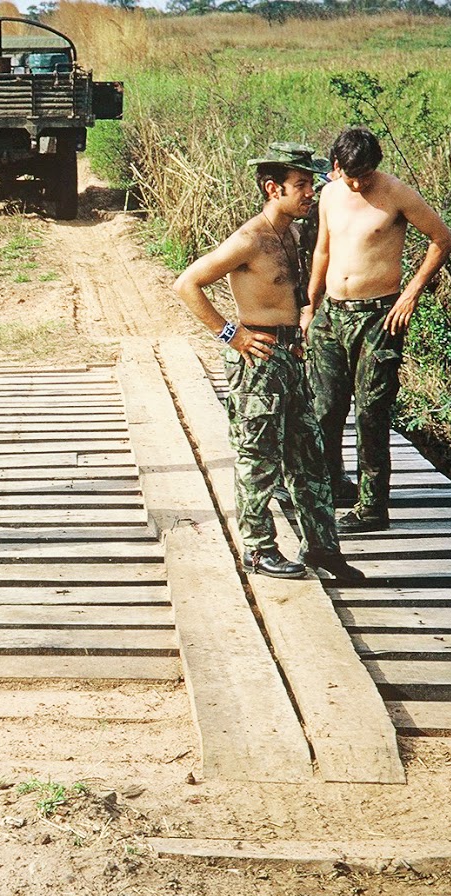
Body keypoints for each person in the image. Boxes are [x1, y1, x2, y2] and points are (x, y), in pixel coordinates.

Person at [171, 143, 358, 581]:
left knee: (309, 457)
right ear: (273, 189)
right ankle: (257, 550)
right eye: (301, 186)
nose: (310, 192)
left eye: (311, 183)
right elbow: (187, 284)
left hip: (289, 356)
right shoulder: (249, 238)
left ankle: (323, 549)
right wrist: (230, 334)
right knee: (257, 458)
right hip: (258, 361)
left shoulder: (291, 233)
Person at [303, 126, 451, 533]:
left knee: (371, 411)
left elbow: (441, 239)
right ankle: (333, 485)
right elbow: (323, 249)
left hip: (378, 316)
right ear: (336, 166)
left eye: (367, 174)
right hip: (331, 314)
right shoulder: (331, 193)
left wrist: (410, 295)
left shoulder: (397, 193)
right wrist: (310, 305)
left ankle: (372, 508)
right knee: (326, 407)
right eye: (352, 175)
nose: (359, 183)